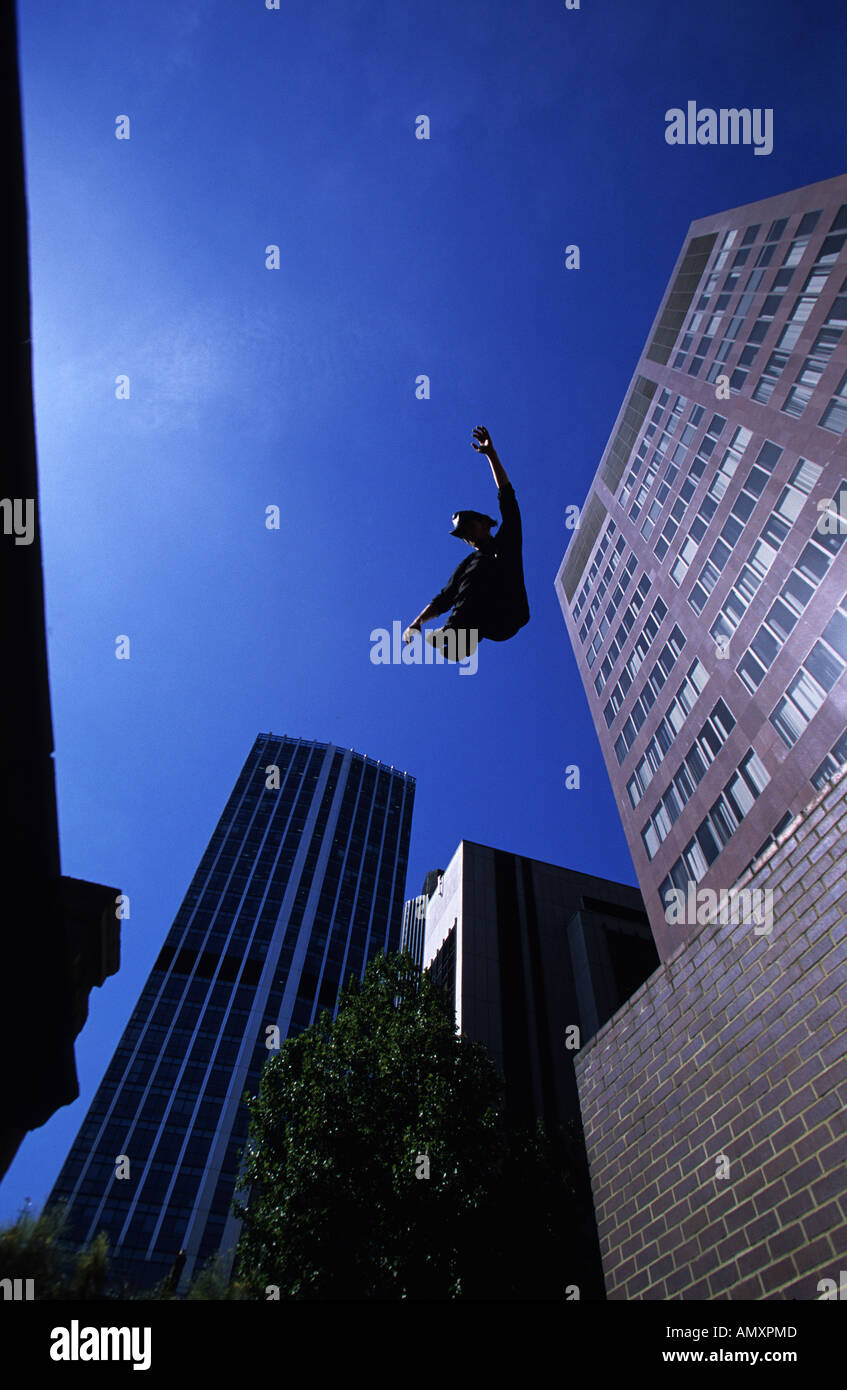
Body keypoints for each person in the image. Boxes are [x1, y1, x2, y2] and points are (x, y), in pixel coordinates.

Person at [403, 426, 530, 661]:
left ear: (483, 523)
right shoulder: (468, 564)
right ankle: (458, 635)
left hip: (510, 610)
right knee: (470, 574)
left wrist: (492, 455)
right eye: (463, 536)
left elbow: (508, 499)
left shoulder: (507, 539)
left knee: (479, 571)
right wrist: (416, 623)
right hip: (486, 620)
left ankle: (457, 633)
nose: (467, 538)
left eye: (469, 529)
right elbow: (444, 598)